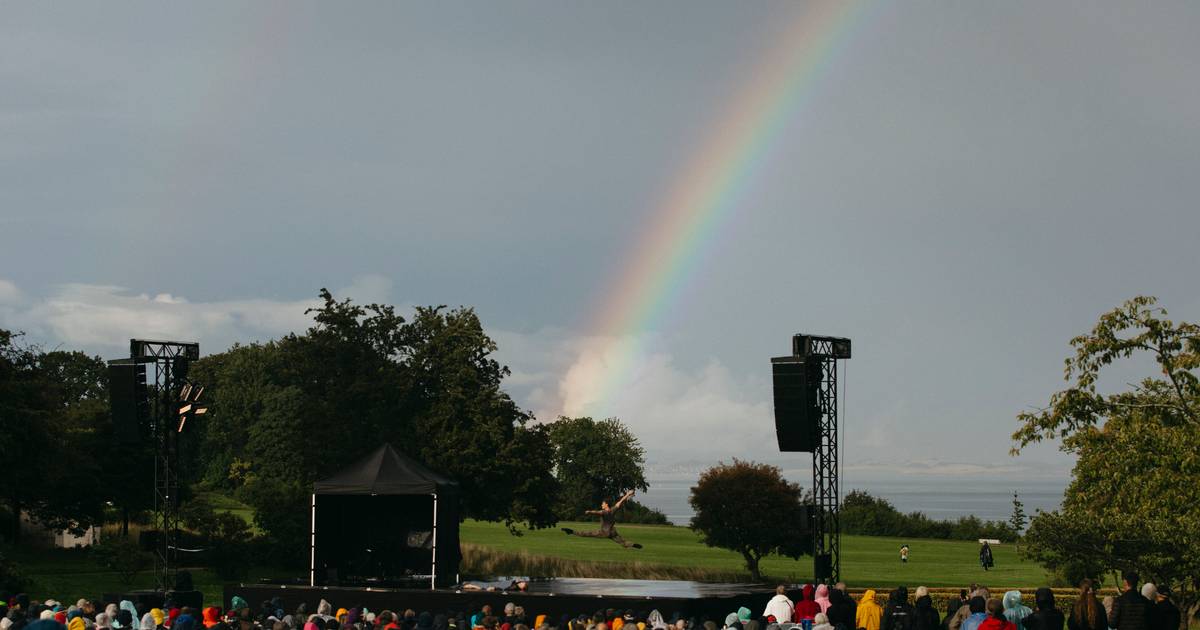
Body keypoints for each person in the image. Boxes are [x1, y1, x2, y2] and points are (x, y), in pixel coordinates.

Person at [562, 490, 643, 549]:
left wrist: (589, 512)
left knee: (586, 533)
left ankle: (571, 532)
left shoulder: (604, 512)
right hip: (612, 532)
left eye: (603, 504)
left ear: (606, 504)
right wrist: (628, 494)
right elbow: (621, 501)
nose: (602, 505)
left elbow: (597, 512)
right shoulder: (613, 509)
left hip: (604, 532)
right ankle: (632, 545)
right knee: (623, 542)